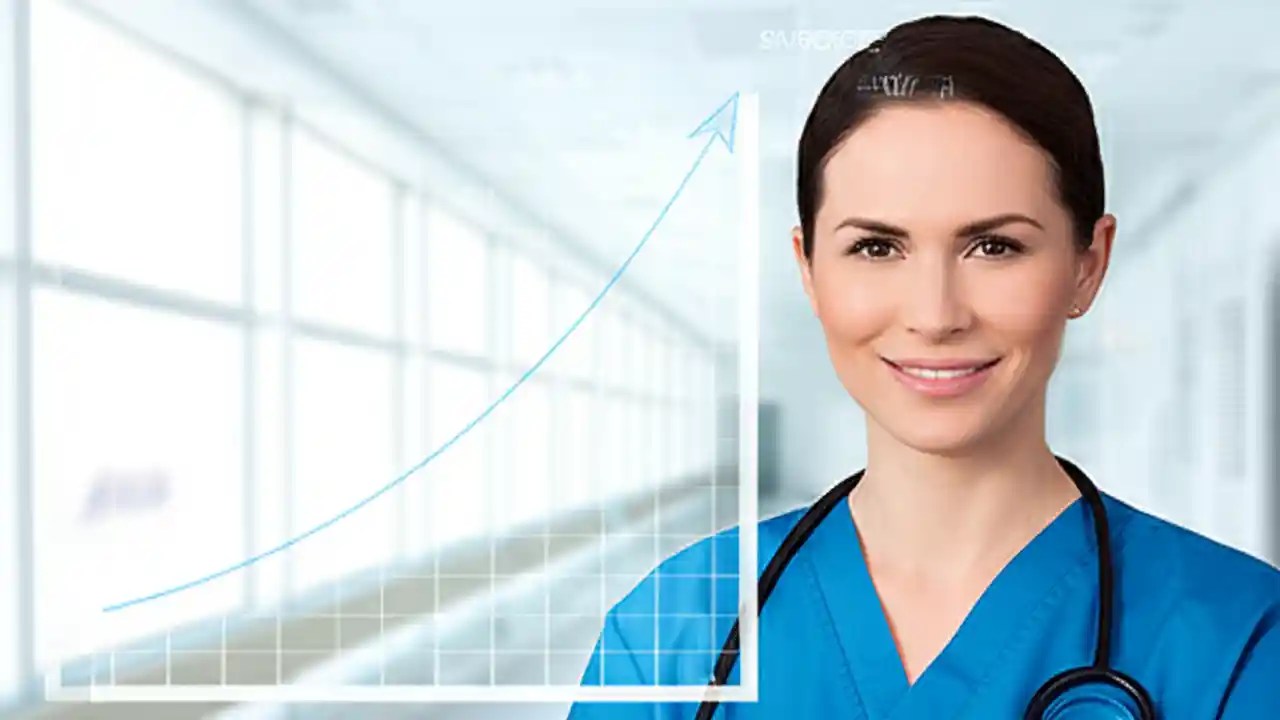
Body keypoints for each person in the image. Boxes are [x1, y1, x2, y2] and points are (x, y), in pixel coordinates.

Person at [566, 13, 1280, 719]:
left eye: (994, 246)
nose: (936, 315)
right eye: (877, 248)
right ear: (808, 271)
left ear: (1088, 266)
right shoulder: (673, 636)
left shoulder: (1239, 638)